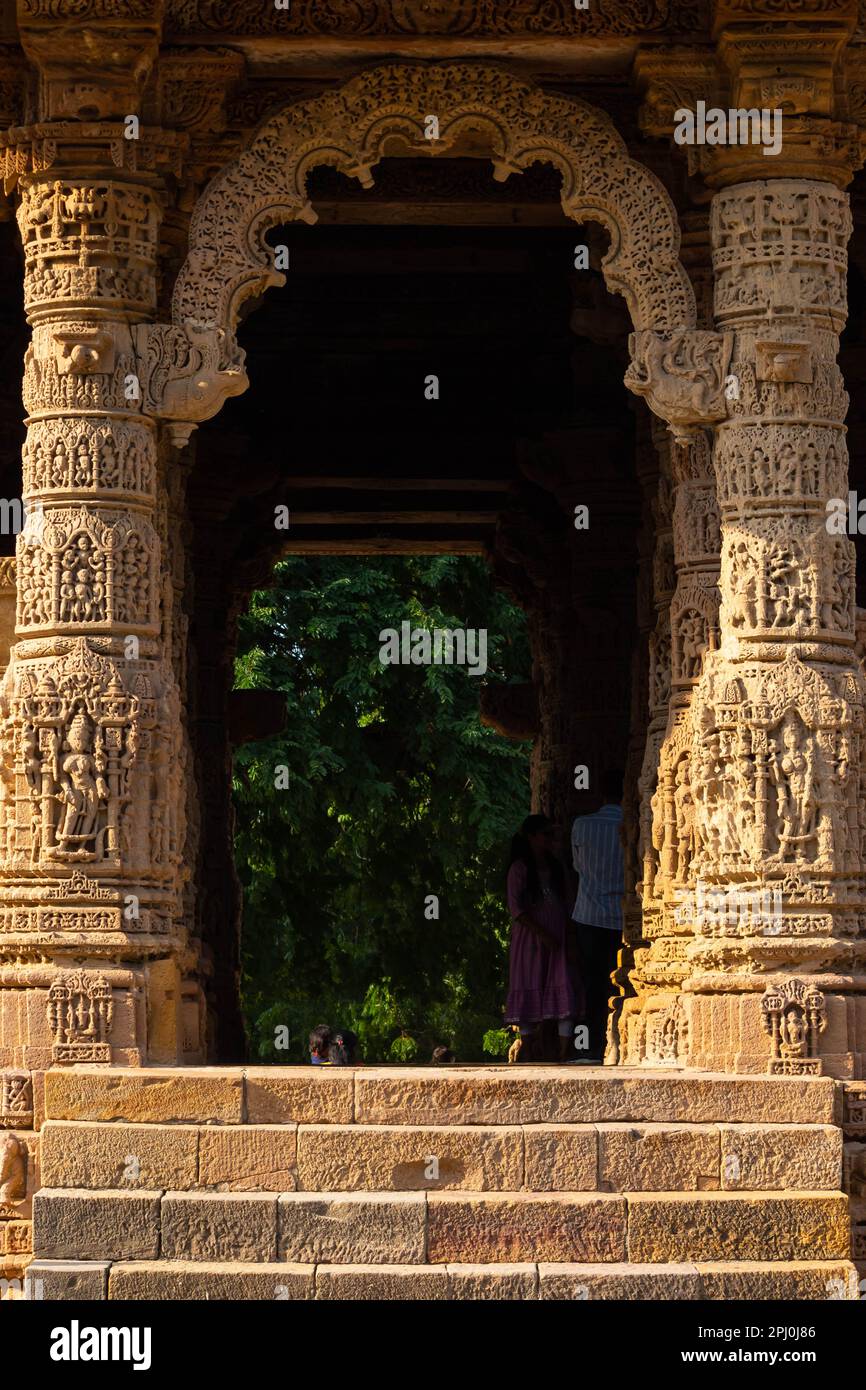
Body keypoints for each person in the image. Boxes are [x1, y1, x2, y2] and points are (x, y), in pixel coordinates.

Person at [505, 813, 582, 1062]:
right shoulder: (520, 869)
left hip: (557, 936)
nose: (551, 840)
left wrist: (568, 935)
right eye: (546, 835)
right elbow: (516, 909)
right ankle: (528, 1046)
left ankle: (563, 1050)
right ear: (531, 837)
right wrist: (542, 933)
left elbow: (569, 903)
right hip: (531, 938)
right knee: (529, 982)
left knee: (562, 983)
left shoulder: (556, 868)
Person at [571, 767, 625, 1062]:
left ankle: (589, 1047)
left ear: (600, 793)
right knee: (622, 981)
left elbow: (578, 868)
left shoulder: (582, 825)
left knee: (591, 983)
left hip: (589, 915)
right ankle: (619, 1041)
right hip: (622, 917)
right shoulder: (630, 825)